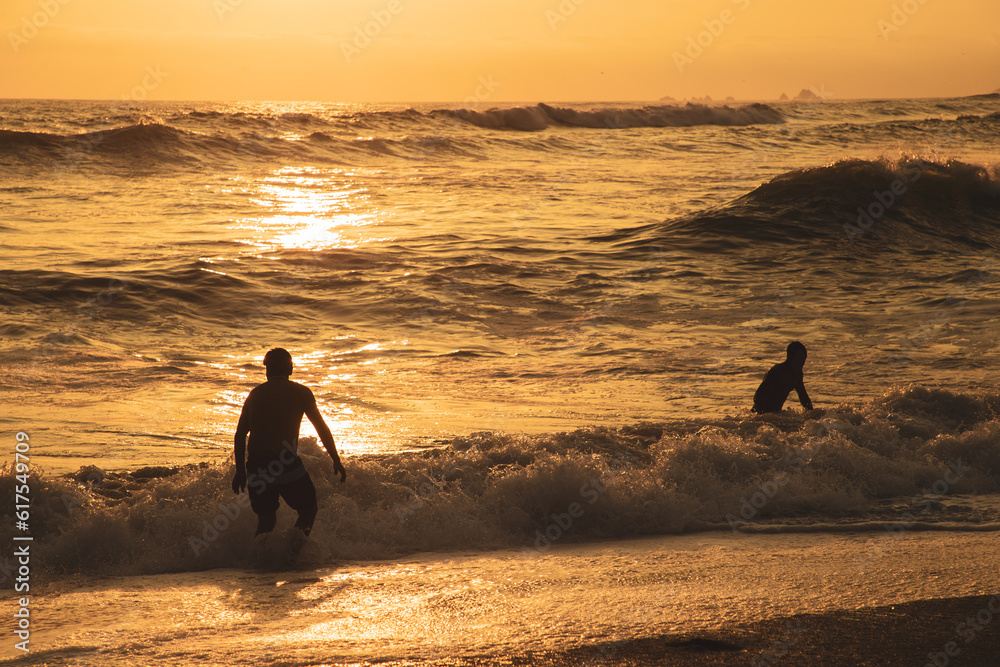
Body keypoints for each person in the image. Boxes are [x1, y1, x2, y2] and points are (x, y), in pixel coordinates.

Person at [232, 348, 347, 538]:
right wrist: (336, 458)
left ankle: (260, 561)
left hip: (256, 466)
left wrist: (240, 472)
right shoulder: (301, 392)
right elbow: (321, 428)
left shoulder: (255, 394)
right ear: (291, 369)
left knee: (266, 523)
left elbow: (239, 435)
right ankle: (292, 552)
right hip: (285, 463)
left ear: (267, 370)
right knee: (308, 510)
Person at [751, 341, 814, 414]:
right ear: (790, 357)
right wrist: (764, 414)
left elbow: (803, 397)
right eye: (799, 358)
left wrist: (812, 415)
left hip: (776, 414)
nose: (803, 362)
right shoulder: (777, 371)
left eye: (804, 358)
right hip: (760, 414)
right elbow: (758, 395)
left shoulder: (797, 374)